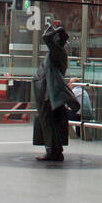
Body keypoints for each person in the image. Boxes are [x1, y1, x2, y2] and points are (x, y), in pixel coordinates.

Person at [33, 21, 78, 162]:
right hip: (52, 93)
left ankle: (52, 151)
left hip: (49, 94)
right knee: (54, 122)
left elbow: (46, 37)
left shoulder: (57, 51)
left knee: (48, 122)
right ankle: (56, 150)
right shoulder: (59, 52)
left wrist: (54, 29)